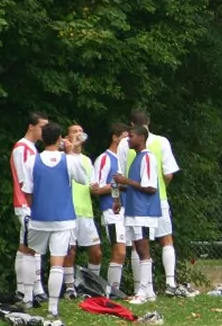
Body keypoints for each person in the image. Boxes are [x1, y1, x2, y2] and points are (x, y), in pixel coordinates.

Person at [117, 110, 191, 297]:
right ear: (149, 121)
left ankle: (140, 286)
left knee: (138, 244)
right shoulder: (161, 141)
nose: (128, 138)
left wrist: (121, 192)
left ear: (132, 125)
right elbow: (168, 174)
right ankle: (169, 282)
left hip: (138, 201)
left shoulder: (128, 147)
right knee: (165, 239)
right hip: (159, 200)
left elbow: (120, 176)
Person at [21, 122, 89, 316]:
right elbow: (83, 179)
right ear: (60, 139)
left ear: (42, 138)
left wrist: (36, 208)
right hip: (63, 218)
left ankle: (27, 298)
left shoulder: (32, 161)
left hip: (39, 217)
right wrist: (71, 152)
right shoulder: (69, 160)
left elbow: (28, 191)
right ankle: (52, 308)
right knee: (57, 263)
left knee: (29, 254)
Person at [114, 125, 161, 305]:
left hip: (144, 211)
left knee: (143, 249)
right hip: (134, 210)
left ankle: (142, 290)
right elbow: (137, 185)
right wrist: (122, 187)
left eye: (131, 136)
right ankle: (148, 291)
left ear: (141, 138)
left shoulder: (147, 158)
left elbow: (150, 187)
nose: (128, 139)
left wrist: (126, 181)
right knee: (139, 248)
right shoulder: (136, 158)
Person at [62, 124, 103, 298]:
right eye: (74, 132)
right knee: (69, 251)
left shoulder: (86, 160)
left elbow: (93, 186)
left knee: (96, 252)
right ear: (67, 137)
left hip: (86, 212)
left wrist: (96, 188)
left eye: (80, 131)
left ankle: (92, 284)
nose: (78, 134)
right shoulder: (62, 158)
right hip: (68, 210)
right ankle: (69, 287)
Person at [11, 112, 48, 303]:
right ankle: (33, 288)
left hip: (29, 203)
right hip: (26, 204)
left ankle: (24, 287)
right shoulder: (23, 149)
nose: (45, 131)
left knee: (25, 245)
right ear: (31, 126)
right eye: (42, 126)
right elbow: (25, 179)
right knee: (33, 246)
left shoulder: (31, 148)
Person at [93, 123, 129, 297]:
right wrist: (119, 185)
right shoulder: (105, 159)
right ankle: (112, 292)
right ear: (115, 137)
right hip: (111, 210)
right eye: (124, 137)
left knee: (126, 251)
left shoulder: (126, 159)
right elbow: (97, 188)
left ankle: (115, 289)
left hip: (127, 211)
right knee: (119, 250)